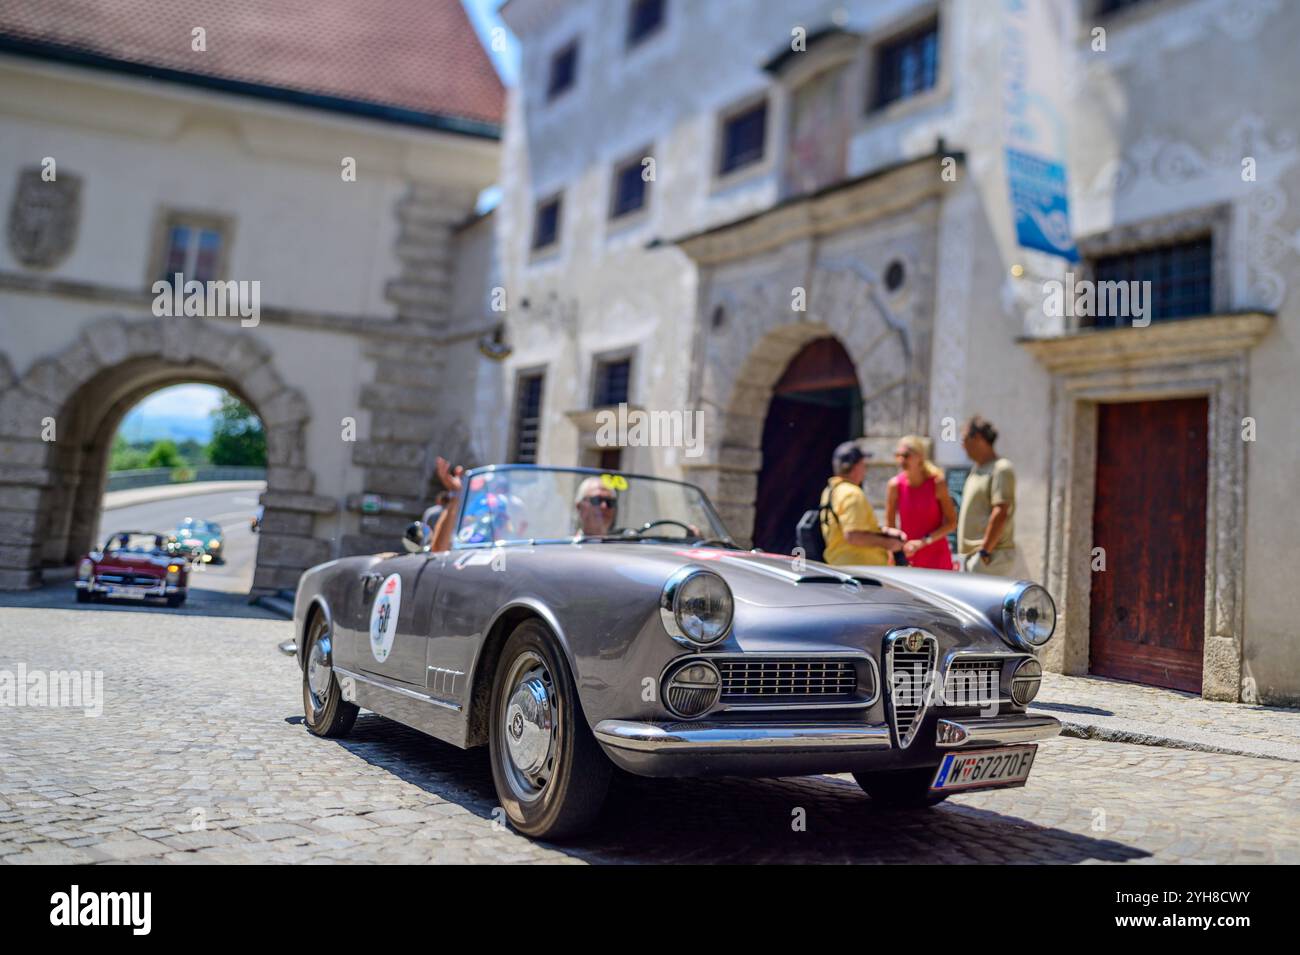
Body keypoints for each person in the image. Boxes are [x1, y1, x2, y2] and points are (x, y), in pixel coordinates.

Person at [820, 441, 905, 566]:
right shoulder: (852, 493)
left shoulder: (831, 491)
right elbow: (853, 535)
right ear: (855, 467)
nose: (865, 469)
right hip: (860, 571)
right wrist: (889, 543)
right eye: (863, 465)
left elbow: (849, 526)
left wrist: (884, 531)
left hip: (841, 564)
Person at [956, 416, 1017, 575]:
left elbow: (1001, 511)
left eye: (964, 439)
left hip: (990, 557)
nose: (962, 446)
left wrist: (984, 552)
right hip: (975, 556)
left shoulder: (1001, 468)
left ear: (978, 438)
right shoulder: (977, 468)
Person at [885, 435, 957, 570]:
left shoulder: (937, 483)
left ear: (920, 456)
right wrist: (893, 553)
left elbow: (952, 523)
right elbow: (890, 526)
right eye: (898, 455)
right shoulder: (894, 485)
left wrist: (923, 542)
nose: (901, 460)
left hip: (937, 556)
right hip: (908, 555)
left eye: (906, 455)